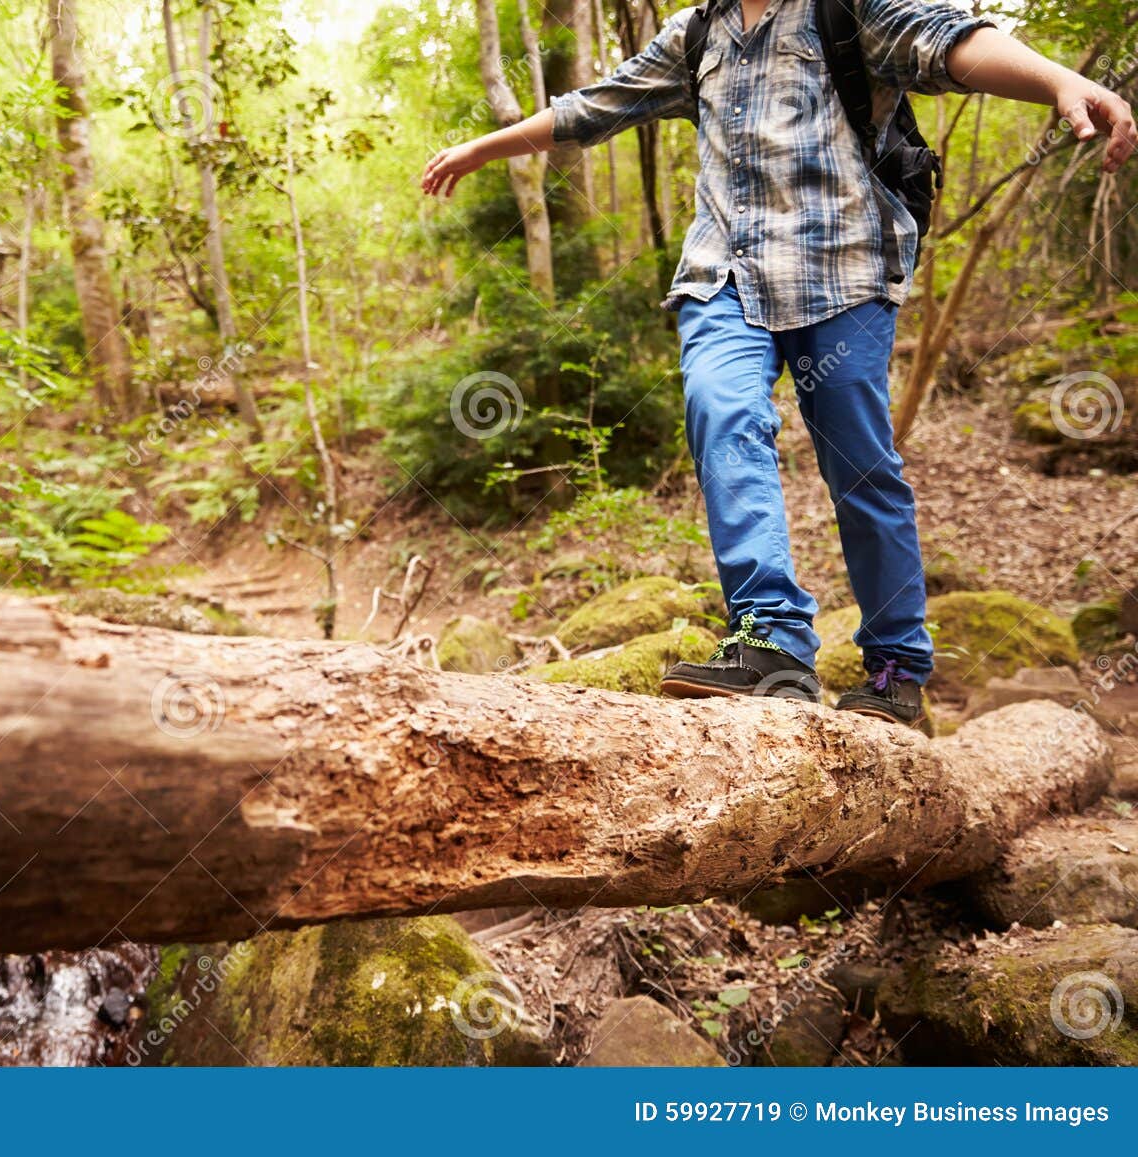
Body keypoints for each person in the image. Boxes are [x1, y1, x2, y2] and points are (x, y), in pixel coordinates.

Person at [421, 0, 1135, 730]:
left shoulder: (849, 11)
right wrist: (485, 148)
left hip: (844, 272)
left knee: (861, 467)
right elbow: (596, 106)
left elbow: (953, 45)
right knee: (720, 406)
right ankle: (774, 641)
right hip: (721, 276)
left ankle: (894, 667)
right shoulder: (695, 35)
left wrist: (1056, 83)